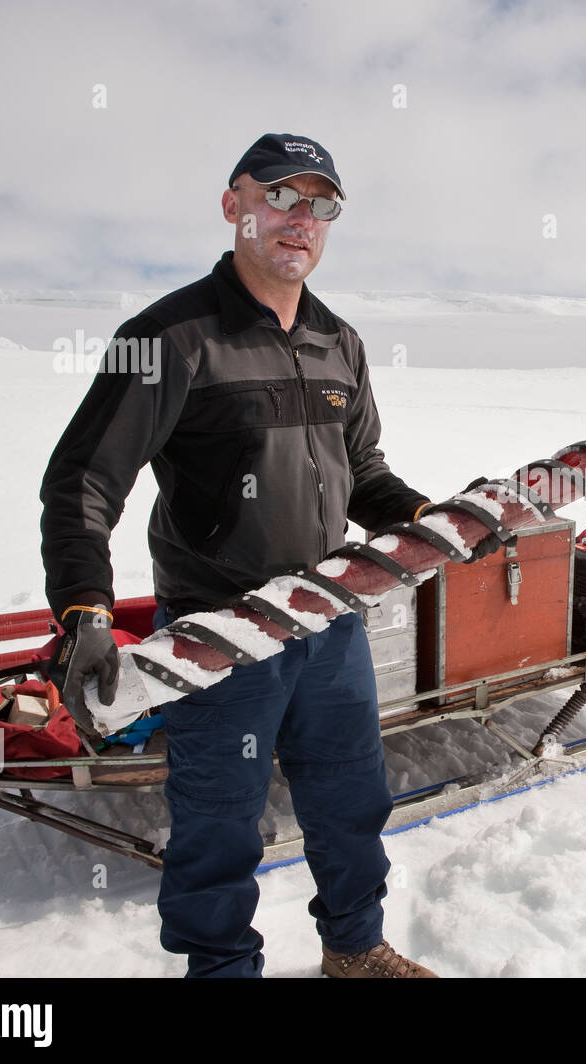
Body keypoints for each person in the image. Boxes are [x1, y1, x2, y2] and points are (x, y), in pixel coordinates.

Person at [40, 133, 438, 978]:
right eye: (281, 196)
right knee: (219, 823)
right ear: (234, 205)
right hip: (218, 636)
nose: (300, 219)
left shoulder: (340, 341)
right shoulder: (170, 337)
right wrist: (85, 611)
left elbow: (361, 471)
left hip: (329, 621)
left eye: (320, 204)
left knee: (351, 800)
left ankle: (355, 948)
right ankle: (220, 970)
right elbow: (84, 480)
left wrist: (419, 514)